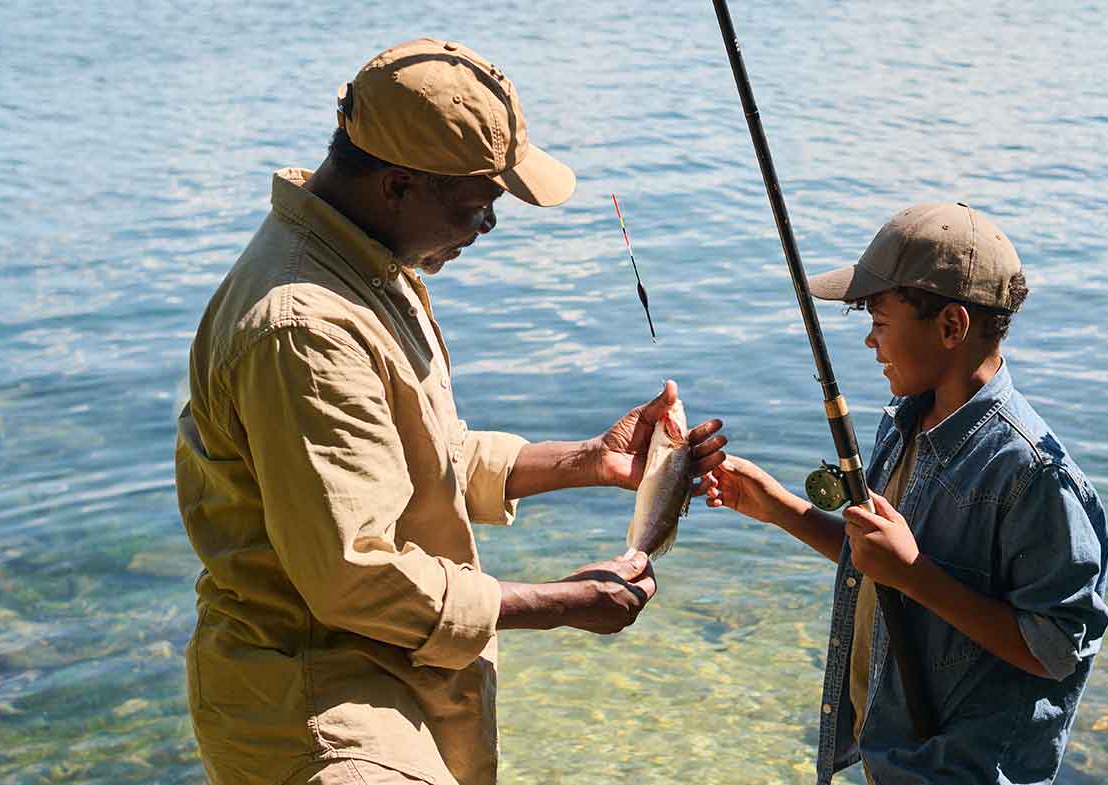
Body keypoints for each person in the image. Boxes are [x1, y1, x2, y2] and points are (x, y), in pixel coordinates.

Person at [173, 39, 726, 785]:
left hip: (385, 686)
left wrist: (592, 460)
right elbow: (355, 576)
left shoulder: (365, 264)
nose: (484, 231)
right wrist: (567, 602)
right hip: (321, 718)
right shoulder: (305, 326)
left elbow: (425, 460)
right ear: (399, 184)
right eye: (478, 208)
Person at [708, 203, 1108, 784]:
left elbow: (1055, 649)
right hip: (891, 760)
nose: (871, 341)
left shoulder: (1033, 474)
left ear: (951, 327)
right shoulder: (903, 420)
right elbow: (879, 561)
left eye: (880, 320)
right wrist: (780, 510)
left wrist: (915, 573)